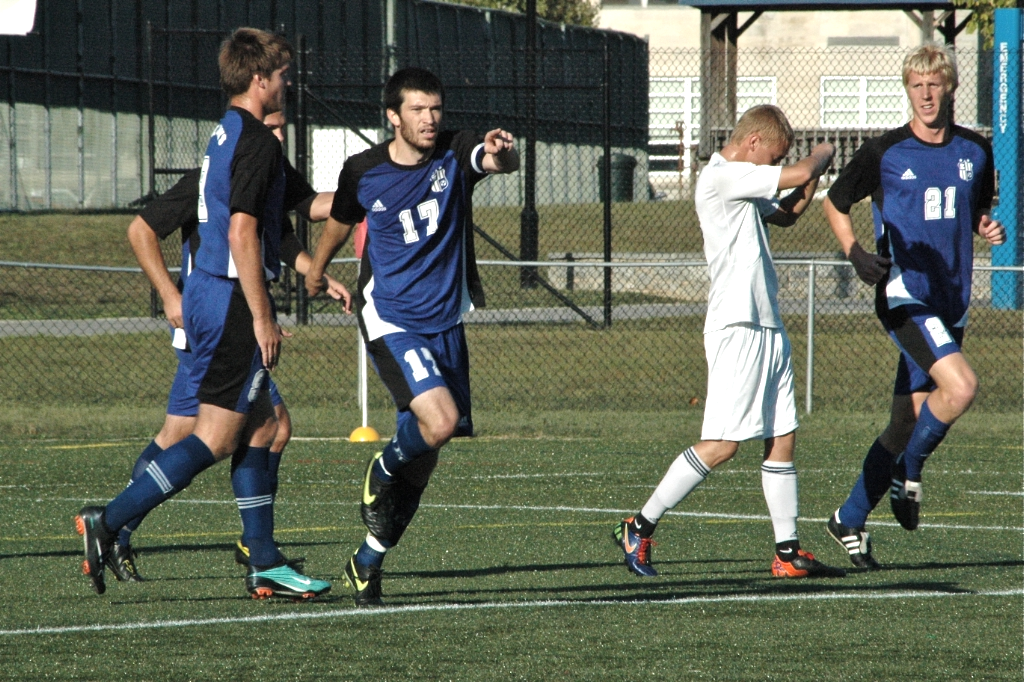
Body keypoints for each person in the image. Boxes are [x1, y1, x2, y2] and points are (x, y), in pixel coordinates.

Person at [75, 28, 342, 600]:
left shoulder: (229, 134)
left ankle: (264, 560)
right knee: (216, 437)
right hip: (228, 302)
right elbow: (243, 232)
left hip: (214, 300)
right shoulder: (256, 142)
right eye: (283, 75)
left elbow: (312, 204)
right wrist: (263, 315)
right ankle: (110, 520)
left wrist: (376, 184)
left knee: (268, 427)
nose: (288, 84)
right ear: (258, 79)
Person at [305, 67, 519, 606]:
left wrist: (504, 151)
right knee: (438, 423)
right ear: (393, 116)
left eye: (436, 109)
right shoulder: (365, 170)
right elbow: (339, 217)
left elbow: (496, 161)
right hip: (391, 316)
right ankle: (381, 466)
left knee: (425, 460)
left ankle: (366, 561)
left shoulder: (454, 151)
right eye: (418, 110)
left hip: (445, 322)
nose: (430, 120)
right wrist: (316, 268)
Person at [613, 105, 846, 580]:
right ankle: (639, 525)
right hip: (736, 325)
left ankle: (787, 553)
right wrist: (825, 152)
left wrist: (811, 180)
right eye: (773, 156)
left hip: (765, 323)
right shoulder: (723, 176)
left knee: (782, 437)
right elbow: (802, 171)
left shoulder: (743, 179)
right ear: (754, 143)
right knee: (721, 445)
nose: (774, 165)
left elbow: (785, 214)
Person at [822, 44, 1004, 568]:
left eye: (935, 84)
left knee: (905, 419)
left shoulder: (974, 150)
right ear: (907, 90)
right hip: (904, 295)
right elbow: (836, 202)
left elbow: (974, 209)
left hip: (952, 300)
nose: (926, 94)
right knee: (962, 386)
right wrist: (855, 254)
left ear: (950, 88)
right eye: (916, 85)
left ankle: (849, 518)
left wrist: (984, 226)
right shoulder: (885, 151)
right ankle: (909, 473)